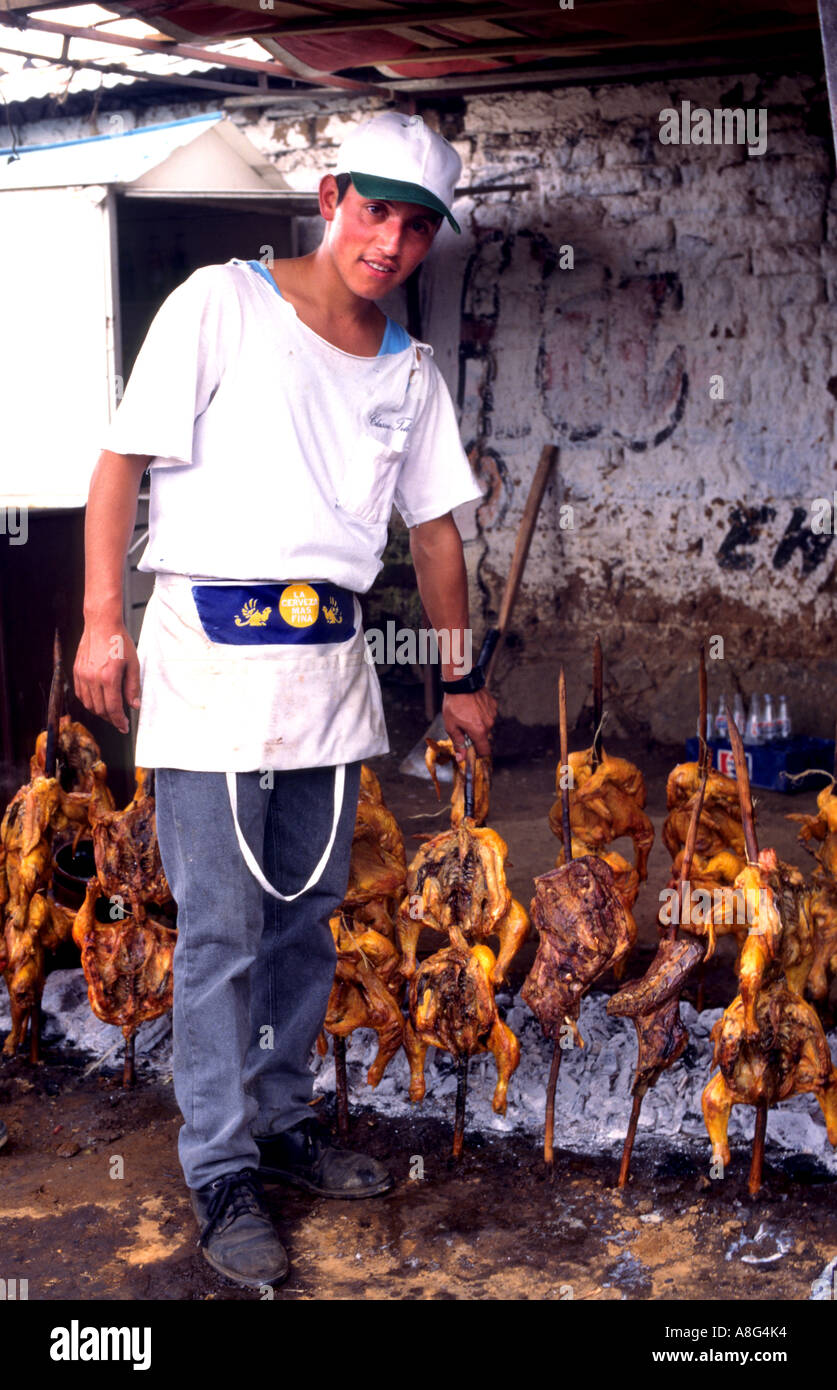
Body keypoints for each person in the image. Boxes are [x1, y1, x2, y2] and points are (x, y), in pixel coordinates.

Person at [73, 111, 496, 1289]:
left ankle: (280, 1119)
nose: (392, 242)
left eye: (417, 227)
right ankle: (218, 1165)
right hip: (207, 655)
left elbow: (438, 534)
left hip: (328, 669)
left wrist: (460, 675)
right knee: (218, 928)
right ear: (329, 197)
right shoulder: (223, 304)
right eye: (376, 211)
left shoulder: (409, 373)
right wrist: (104, 619)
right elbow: (121, 462)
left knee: (306, 921)